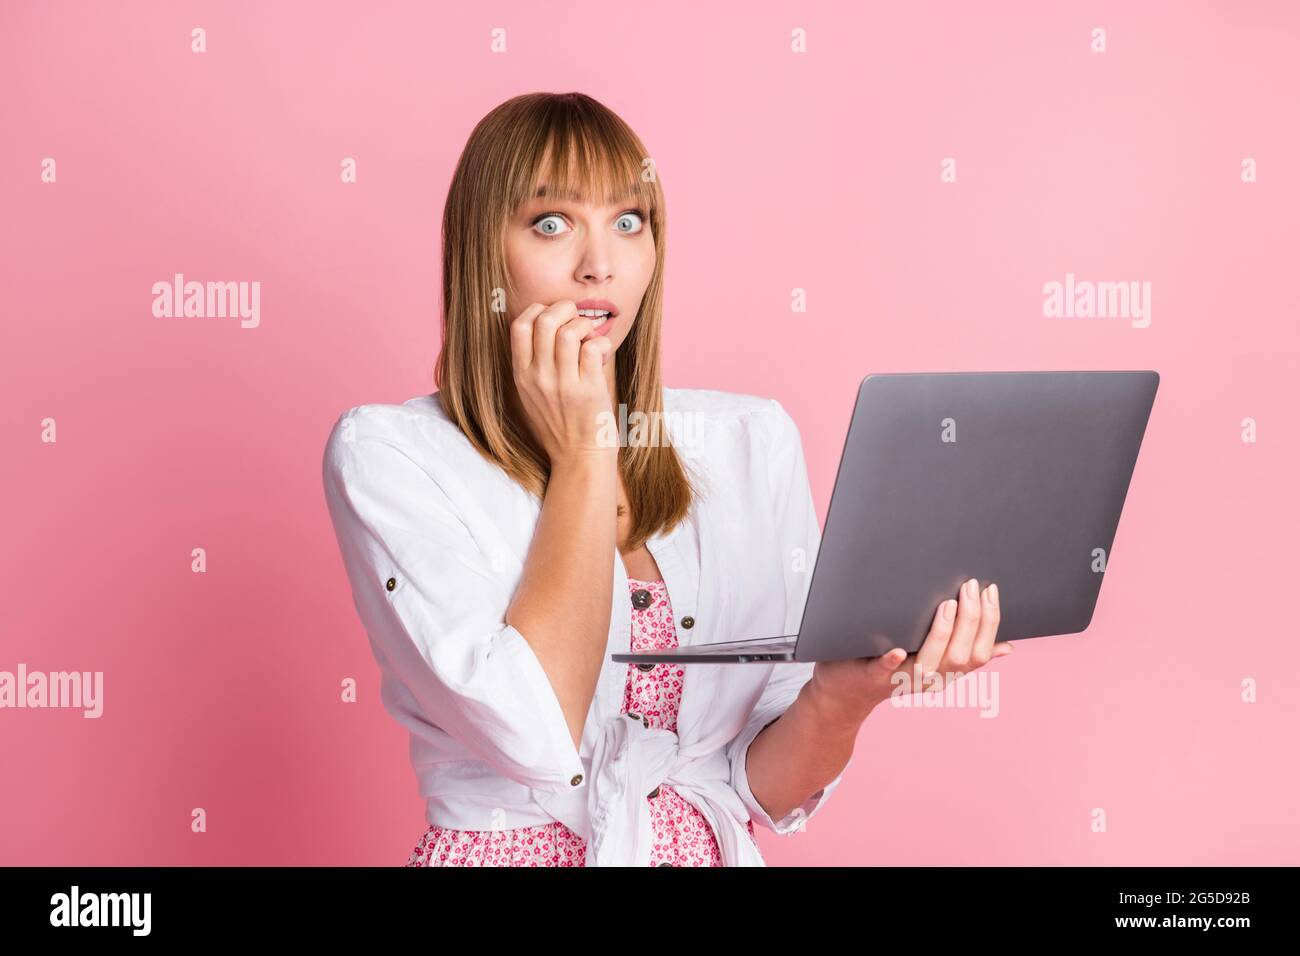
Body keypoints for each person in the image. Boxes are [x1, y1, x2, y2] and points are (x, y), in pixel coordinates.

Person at [321, 91, 1011, 867]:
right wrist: (585, 450)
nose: (599, 263)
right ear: (485, 251)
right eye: (551, 223)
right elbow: (534, 731)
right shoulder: (393, 457)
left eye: (629, 221)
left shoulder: (748, 441)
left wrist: (848, 692)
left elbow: (764, 790)